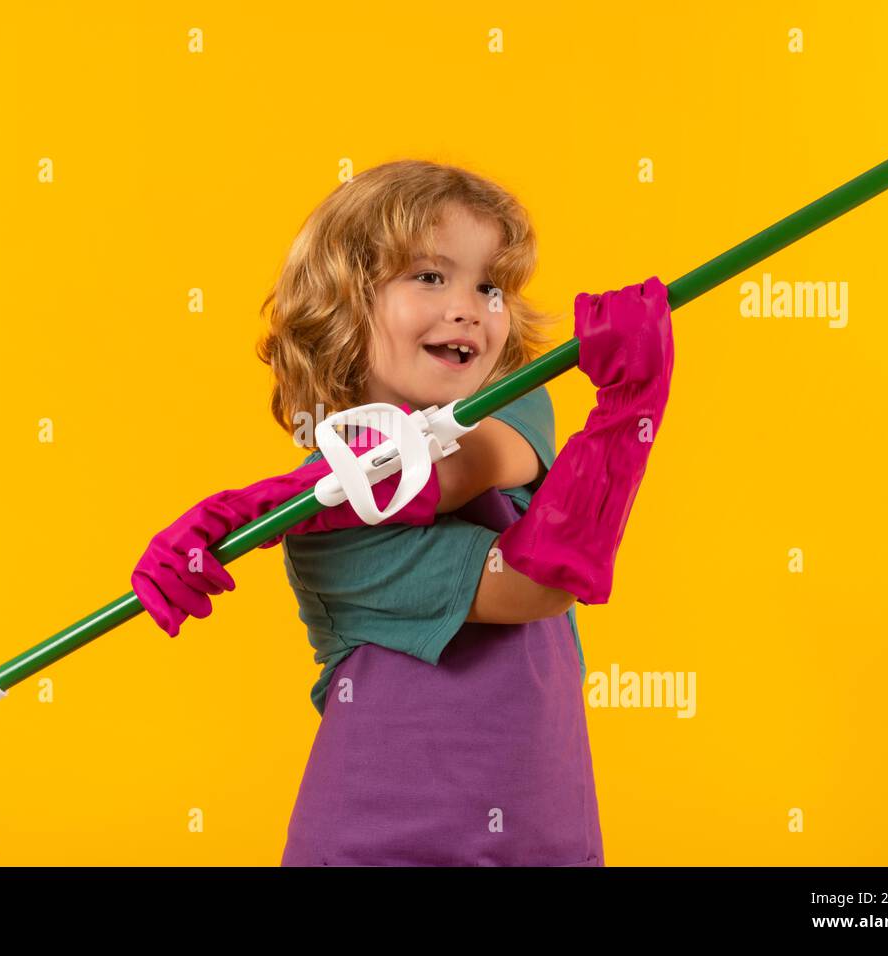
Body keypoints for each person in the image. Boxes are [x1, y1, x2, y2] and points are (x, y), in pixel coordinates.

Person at [132, 159, 674, 865]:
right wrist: (283, 505)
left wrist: (265, 505)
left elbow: (449, 470)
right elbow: (537, 581)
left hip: (548, 845)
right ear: (344, 307)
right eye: (429, 276)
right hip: (376, 849)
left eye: (490, 285)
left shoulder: (514, 413)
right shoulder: (328, 540)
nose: (469, 306)